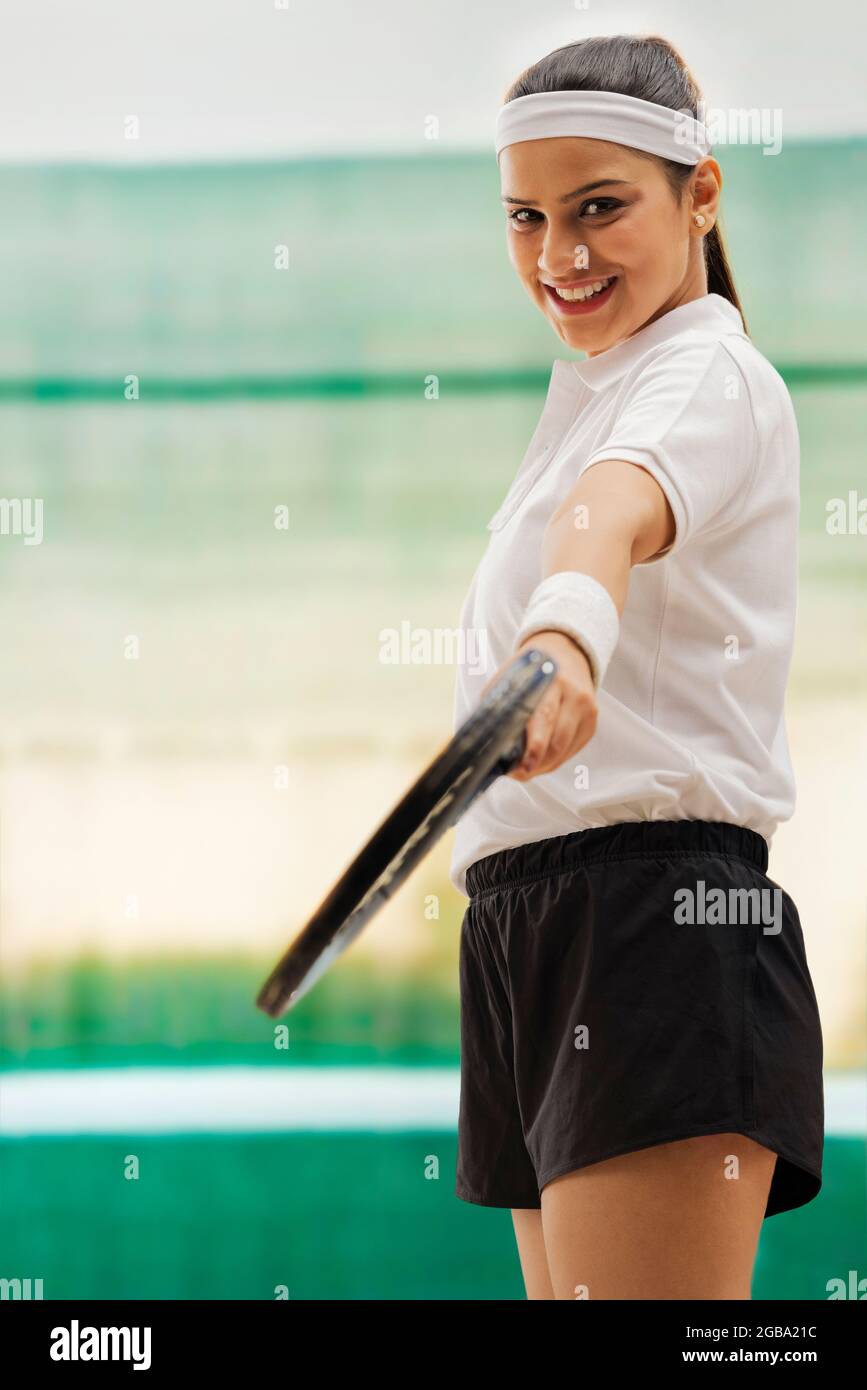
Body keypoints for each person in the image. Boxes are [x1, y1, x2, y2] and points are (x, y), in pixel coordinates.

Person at [449, 34, 824, 1301]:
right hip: (527, 921)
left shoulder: (708, 377)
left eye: (599, 207)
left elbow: (607, 518)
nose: (560, 256)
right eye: (527, 218)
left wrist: (562, 639)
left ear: (700, 193)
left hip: (658, 923)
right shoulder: (601, 399)